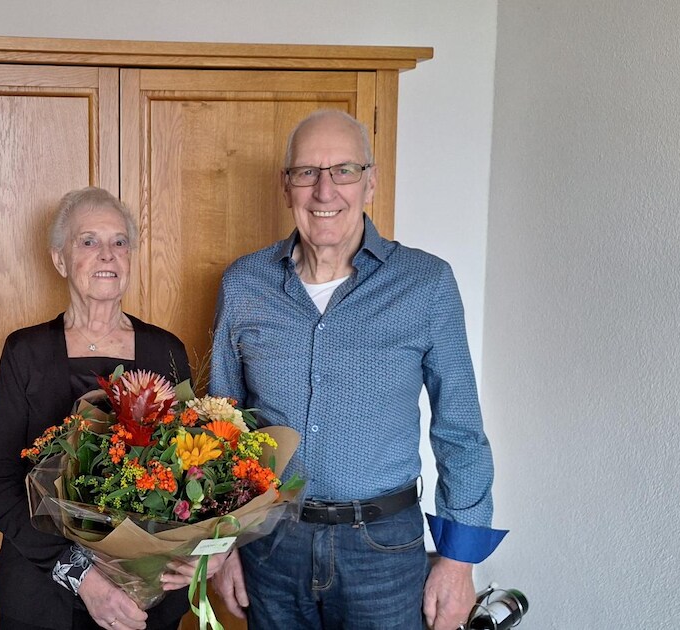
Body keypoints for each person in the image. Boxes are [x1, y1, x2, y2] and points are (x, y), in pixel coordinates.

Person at [208, 110, 506, 630]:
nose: (325, 190)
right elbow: (218, 428)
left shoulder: (426, 284)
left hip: (385, 550)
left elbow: (459, 429)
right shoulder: (243, 284)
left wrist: (458, 563)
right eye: (307, 172)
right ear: (286, 187)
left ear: (370, 181)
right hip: (271, 545)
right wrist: (220, 548)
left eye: (343, 170)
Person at [0, 187, 221, 630]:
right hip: (41, 597)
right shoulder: (25, 352)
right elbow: (0, 485)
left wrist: (203, 552)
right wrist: (84, 578)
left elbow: (197, 476)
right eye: (88, 241)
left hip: (146, 600)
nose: (107, 255)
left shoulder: (164, 349)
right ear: (60, 260)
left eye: (119, 242)